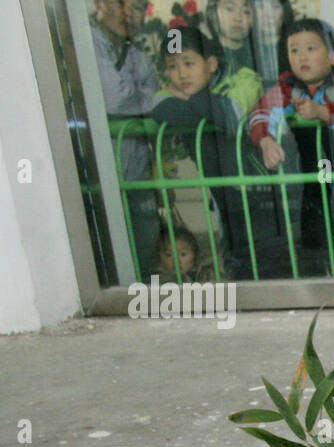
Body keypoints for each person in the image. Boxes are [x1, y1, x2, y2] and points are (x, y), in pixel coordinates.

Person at [248, 18, 334, 251]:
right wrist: (265, 140)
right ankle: (316, 245)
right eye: (294, 50)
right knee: (316, 195)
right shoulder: (287, 88)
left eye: (311, 49)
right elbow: (259, 114)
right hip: (314, 166)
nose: (302, 57)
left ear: (332, 56)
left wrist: (324, 112)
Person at [154, 26, 261, 270]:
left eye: (188, 63)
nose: (181, 74)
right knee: (233, 248)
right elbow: (161, 108)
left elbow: (230, 112)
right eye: (172, 66)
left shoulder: (242, 78)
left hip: (260, 183)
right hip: (220, 188)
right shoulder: (171, 93)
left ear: (211, 64)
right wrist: (206, 107)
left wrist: (194, 101)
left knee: (262, 248)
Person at [92, 0, 161, 275]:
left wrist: (138, 96)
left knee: (146, 240)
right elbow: (116, 100)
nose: (129, 15)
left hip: (138, 167)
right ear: (101, 4)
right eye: (121, 4)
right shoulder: (89, 46)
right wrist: (141, 96)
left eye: (137, 8)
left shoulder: (135, 53)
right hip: (102, 171)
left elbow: (156, 100)